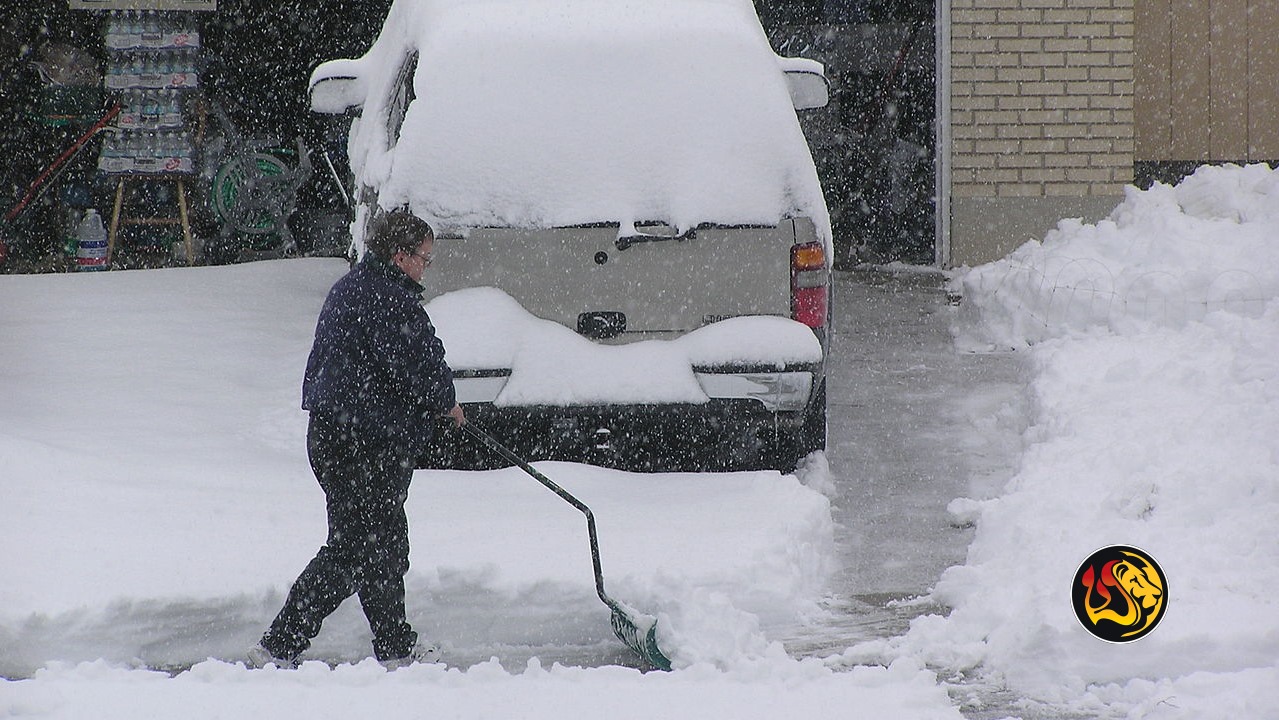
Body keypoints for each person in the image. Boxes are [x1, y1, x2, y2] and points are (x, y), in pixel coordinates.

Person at [248, 210, 465, 670]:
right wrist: (445, 401)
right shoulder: (385, 299)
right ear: (400, 255)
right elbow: (418, 365)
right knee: (356, 549)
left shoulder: (358, 287)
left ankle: (393, 646)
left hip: (346, 438)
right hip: (360, 444)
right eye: (424, 258)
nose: (427, 267)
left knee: (381, 544)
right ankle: (279, 646)